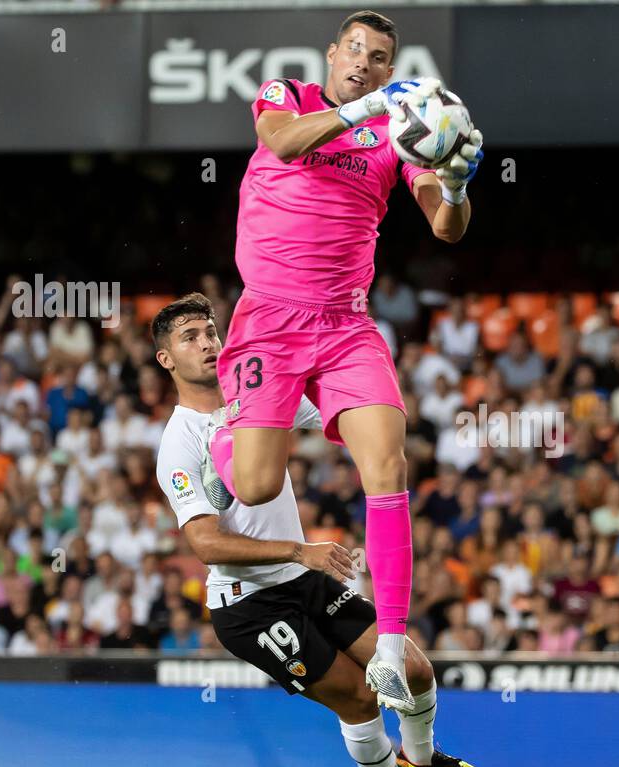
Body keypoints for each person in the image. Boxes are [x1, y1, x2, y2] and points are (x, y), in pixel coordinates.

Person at [206, 10, 484, 713]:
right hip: (268, 321)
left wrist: (454, 181)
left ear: (393, 68)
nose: (364, 61)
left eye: (379, 56)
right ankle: (228, 437)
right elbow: (284, 143)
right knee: (259, 487)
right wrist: (365, 112)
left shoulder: (399, 137)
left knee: (388, 465)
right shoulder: (286, 97)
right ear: (332, 55)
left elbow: (446, 229)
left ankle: (390, 651)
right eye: (354, 49)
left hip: (345, 327)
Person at [153, 294, 488, 767]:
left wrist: (371, 404)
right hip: (250, 605)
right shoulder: (179, 443)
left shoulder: (254, 398)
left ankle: (420, 756)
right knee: (359, 699)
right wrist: (297, 550)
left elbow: (329, 407)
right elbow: (205, 545)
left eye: (210, 331)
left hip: (303, 576)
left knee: (413, 668)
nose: (207, 343)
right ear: (166, 359)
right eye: (189, 337)